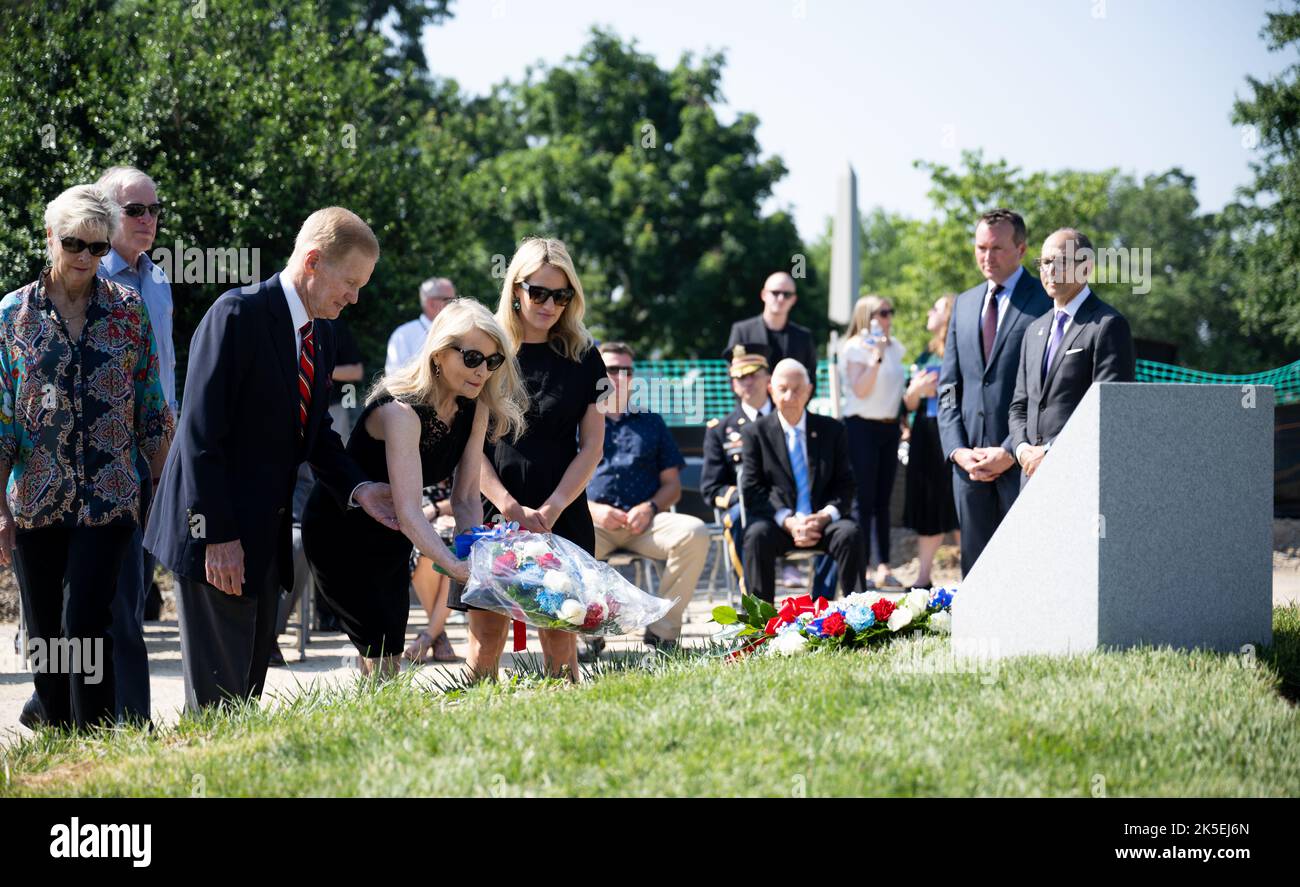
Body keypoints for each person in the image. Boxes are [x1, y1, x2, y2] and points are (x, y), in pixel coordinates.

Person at [144, 207, 398, 712]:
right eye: (349, 282)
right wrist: (216, 535)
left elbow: (316, 431)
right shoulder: (237, 315)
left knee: (245, 699)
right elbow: (199, 435)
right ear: (313, 261)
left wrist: (360, 487)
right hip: (216, 534)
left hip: (264, 538)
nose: (354, 297)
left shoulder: (319, 331)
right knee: (220, 703)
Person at [0, 184, 173, 730]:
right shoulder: (13, 314)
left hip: (111, 493)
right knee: (46, 626)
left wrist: (163, 490)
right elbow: (3, 418)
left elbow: (151, 406)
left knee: (87, 620)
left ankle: (95, 733)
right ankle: (56, 725)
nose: (85, 259)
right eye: (74, 244)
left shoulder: (128, 311)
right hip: (35, 496)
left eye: (98, 249)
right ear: (50, 237)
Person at [303, 299, 527, 675]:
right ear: (439, 354)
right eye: (472, 358)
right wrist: (456, 566)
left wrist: (475, 552)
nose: (482, 372)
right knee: (379, 651)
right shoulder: (400, 411)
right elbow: (409, 511)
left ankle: (375, 716)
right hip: (341, 532)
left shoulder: (475, 406)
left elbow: (467, 496)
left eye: (492, 362)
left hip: (391, 534)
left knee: (388, 650)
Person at [450, 237, 605, 682]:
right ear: (515, 289)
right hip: (492, 511)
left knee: (560, 640)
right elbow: (470, 443)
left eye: (562, 295)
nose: (550, 304)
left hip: (562, 512)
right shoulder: (486, 349)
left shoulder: (586, 357)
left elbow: (592, 446)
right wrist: (507, 506)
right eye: (538, 292)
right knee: (485, 644)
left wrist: (552, 509)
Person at [94, 164, 173, 725]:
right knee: (114, 593)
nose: (147, 221)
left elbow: (166, 370)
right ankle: (129, 717)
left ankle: (48, 703)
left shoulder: (160, 279)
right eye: (134, 210)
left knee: (135, 586)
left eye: (154, 210)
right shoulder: (85, 274)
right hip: (99, 457)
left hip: (156, 451)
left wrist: (171, 446)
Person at [938, 208, 1051, 576]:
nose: (987, 257)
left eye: (997, 248)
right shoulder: (965, 304)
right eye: (980, 247)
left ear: (1021, 249)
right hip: (968, 465)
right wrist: (957, 450)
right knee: (975, 571)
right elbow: (949, 388)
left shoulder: (1045, 300)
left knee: (1025, 567)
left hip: (1022, 459)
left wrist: (1008, 450)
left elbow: (1048, 390)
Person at [588, 342, 709, 652]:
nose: (618, 376)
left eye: (626, 370)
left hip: (645, 522)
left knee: (694, 532)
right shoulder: (579, 419)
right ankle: (586, 633)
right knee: (565, 538)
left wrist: (651, 506)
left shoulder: (651, 422)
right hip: (592, 522)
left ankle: (662, 633)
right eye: (610, 369)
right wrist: (592, 510)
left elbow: (673, 485)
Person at [1009, 229, 1136, 483]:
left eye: (1062, 262)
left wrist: (1049, 452)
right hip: (1029, 478)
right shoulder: (1034, 330)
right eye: (1046, 262)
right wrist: (1023, 450)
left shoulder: (1108, 325)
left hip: (1078, 478)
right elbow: (1019, 405)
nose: (1051, 270)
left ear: (1086, 267)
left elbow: (1108, 409)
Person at [739, 359, 866, 603]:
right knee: (756, 536)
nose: (789, 396)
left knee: (850, 533)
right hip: (779, 522)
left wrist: (824, 516)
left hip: (823, 521)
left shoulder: (832, 430)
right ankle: (760, 626)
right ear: (770, 390)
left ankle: (859, 616)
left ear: (808, 391)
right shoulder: (755, 433)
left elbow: (846, 484)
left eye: (797, 389)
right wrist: (787, 520)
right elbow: (753, 489)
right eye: (783, 389)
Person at [838, 295, 907, 588]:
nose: (888, 318)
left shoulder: (895, 347)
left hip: (889, 428)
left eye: (890, 312)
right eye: (882, 313)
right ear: (867, 316)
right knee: (863, 500)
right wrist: (876, 356)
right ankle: (862, 567)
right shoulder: (855, 347)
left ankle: (883, 565)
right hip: (861, 427)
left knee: (883, 500)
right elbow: (861, 389)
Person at [701, 343, 774, 594]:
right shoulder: (720, 430)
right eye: (740, 377)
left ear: (768, 377)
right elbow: (711, 488)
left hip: (791, 505)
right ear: (733, 384)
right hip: (747, 509)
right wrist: (744, 496)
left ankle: (824, 600)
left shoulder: (790, 418)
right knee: (738, 518)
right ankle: (752, 599)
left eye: (753, 374)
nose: (747, 381)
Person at [901, 295, 960, 588]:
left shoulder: (963, 347)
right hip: (925, 434)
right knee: (928, 504)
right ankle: (923, 578)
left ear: (948, 315)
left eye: (935, 308)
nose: (928, 312)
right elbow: (909, 403)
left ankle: (972, 574)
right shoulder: (925, 354)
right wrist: (917, 390)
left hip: (957, 432)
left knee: (961, 502)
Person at [726, 271, 818, 389]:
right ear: (764, 295)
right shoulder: (742, 331)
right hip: (750, 406)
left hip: (791, 406)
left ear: (794, 299)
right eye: (775, 293)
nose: (780, 298)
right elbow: (733, 374)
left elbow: (810, 380)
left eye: (787, 294)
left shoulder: (803, 337)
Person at [386, 276, 456, 373]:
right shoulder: (403, 335)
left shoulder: (457, 331)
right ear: (431, 303)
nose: (454, 305)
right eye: (449, 300)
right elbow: (394, 377)